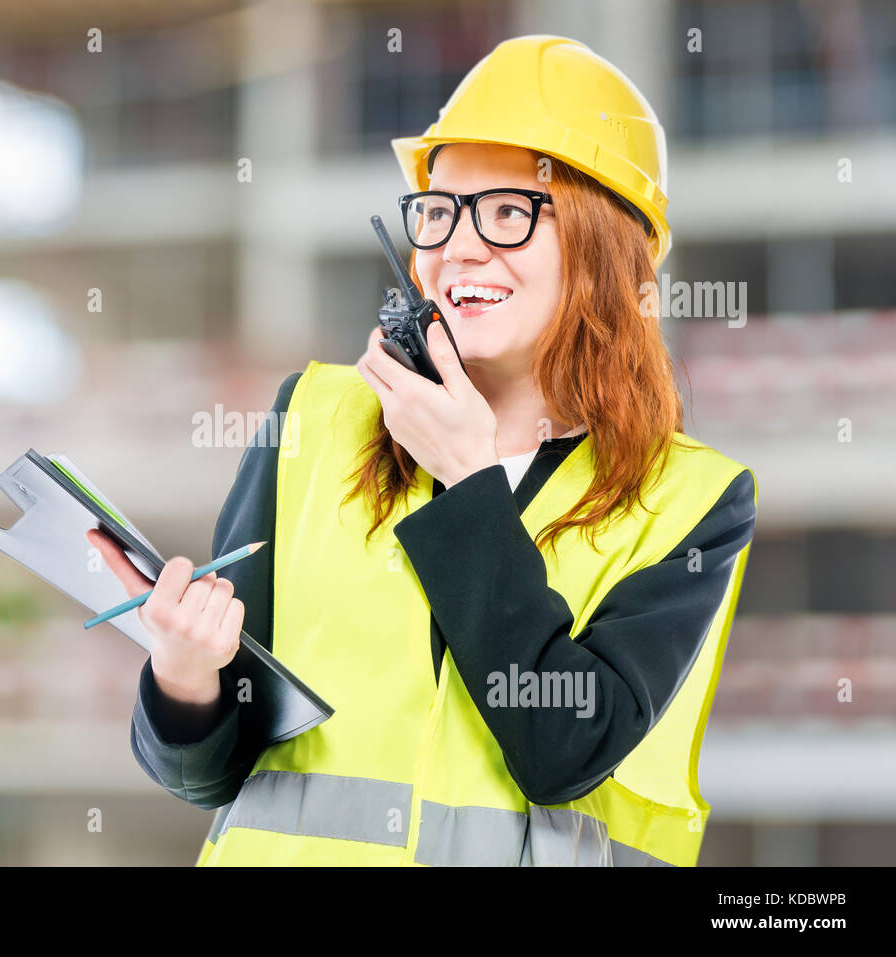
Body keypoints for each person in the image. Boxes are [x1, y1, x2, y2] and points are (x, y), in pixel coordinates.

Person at [88, 35, 757, 866]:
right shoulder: (316, 419)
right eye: (439, 211)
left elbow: (562, 750)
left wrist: (471, 479)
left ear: (605, 250)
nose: (460, 246)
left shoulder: (691, 500)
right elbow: (210, 774)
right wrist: (185, 675)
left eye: (509, 212)